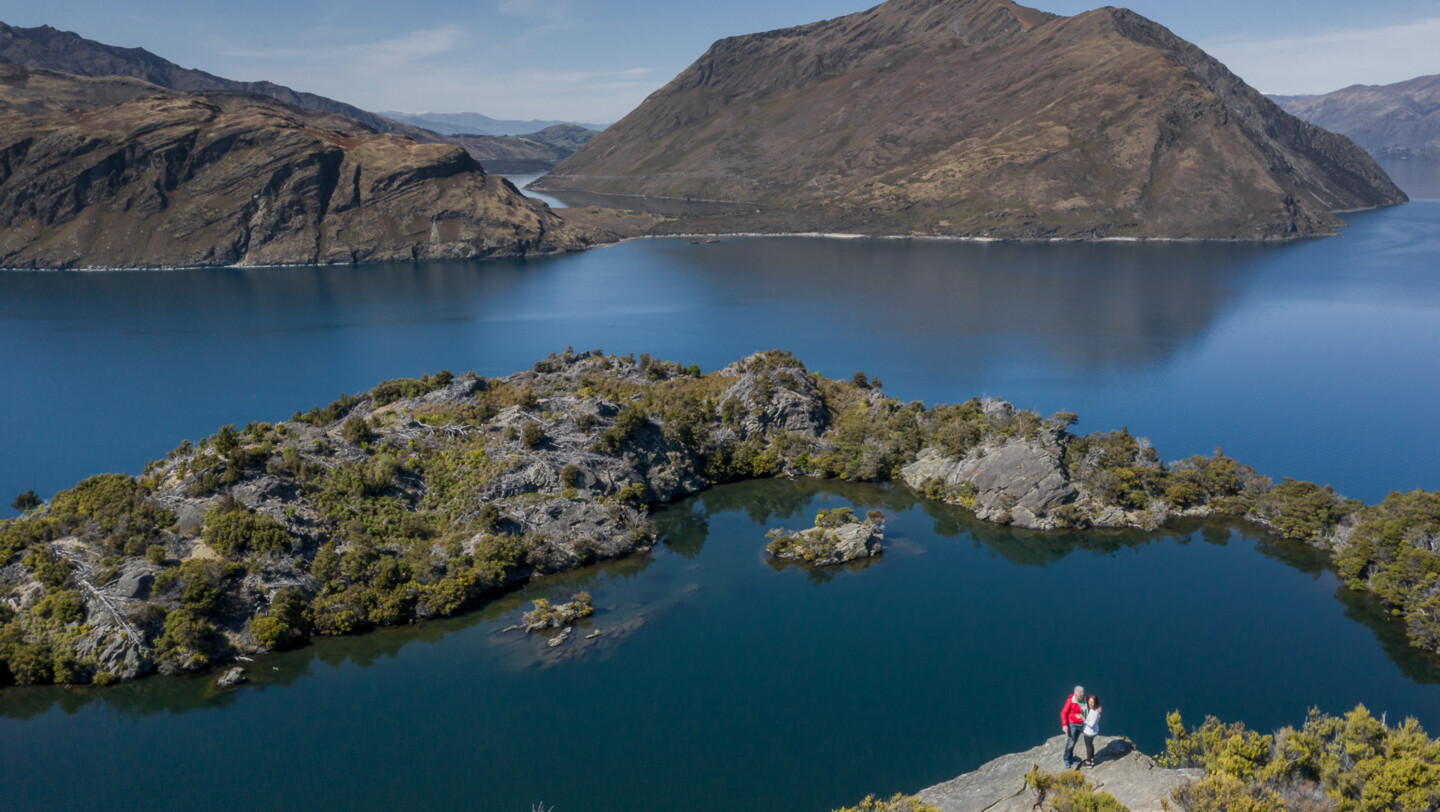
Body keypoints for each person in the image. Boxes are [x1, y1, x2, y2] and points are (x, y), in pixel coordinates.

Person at [1059, 685, 1086, 768]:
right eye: (1076, 695)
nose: (1078, 697)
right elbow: (1063, 713)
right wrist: (1064, 725)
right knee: (1071, 742)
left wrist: (1098, 707)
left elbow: (1093, 703)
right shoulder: (1071, 701)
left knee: (1074, 741)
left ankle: (1071, 758)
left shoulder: (1086, 699)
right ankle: (1066, 758)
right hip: (1073, 724)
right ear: (1074, 693)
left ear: (1083, 694)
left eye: (1080, 696)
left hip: (1081, 724)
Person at [1082, 694, 1102, 767]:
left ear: (1095, 703)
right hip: (1093, 731)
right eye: (1089, 701)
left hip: (1089, 732)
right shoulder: (1096, 708)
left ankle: (1088, 762)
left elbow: (1091, 724)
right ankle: (1092, 758)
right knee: (1090, 744)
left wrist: (1083, 719)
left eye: (1092, 702)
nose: (1090, 703)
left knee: (1088, 747)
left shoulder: (1094, 712)